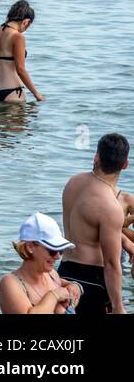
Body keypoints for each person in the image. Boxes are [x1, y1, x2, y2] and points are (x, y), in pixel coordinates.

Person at [59, 133, 129, 314]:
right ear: (125, 165)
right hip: (93, 281)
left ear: (96, 156)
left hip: (64, 272)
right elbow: (112, 264)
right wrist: (118, 307)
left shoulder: (73, 182)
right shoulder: (110, 206)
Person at [0, 213, 82, 314]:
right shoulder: (10, 283)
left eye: (60, 250)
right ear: (30, 247)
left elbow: (68, 285)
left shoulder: (51, 275)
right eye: (52, 250)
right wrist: (53, 296)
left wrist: (76, 286)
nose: (58, 256)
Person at [0, 0, 42, 102]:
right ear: (26, 21)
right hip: (12, 91)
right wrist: (36, 93)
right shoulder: (17, 37)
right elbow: (20, 70)